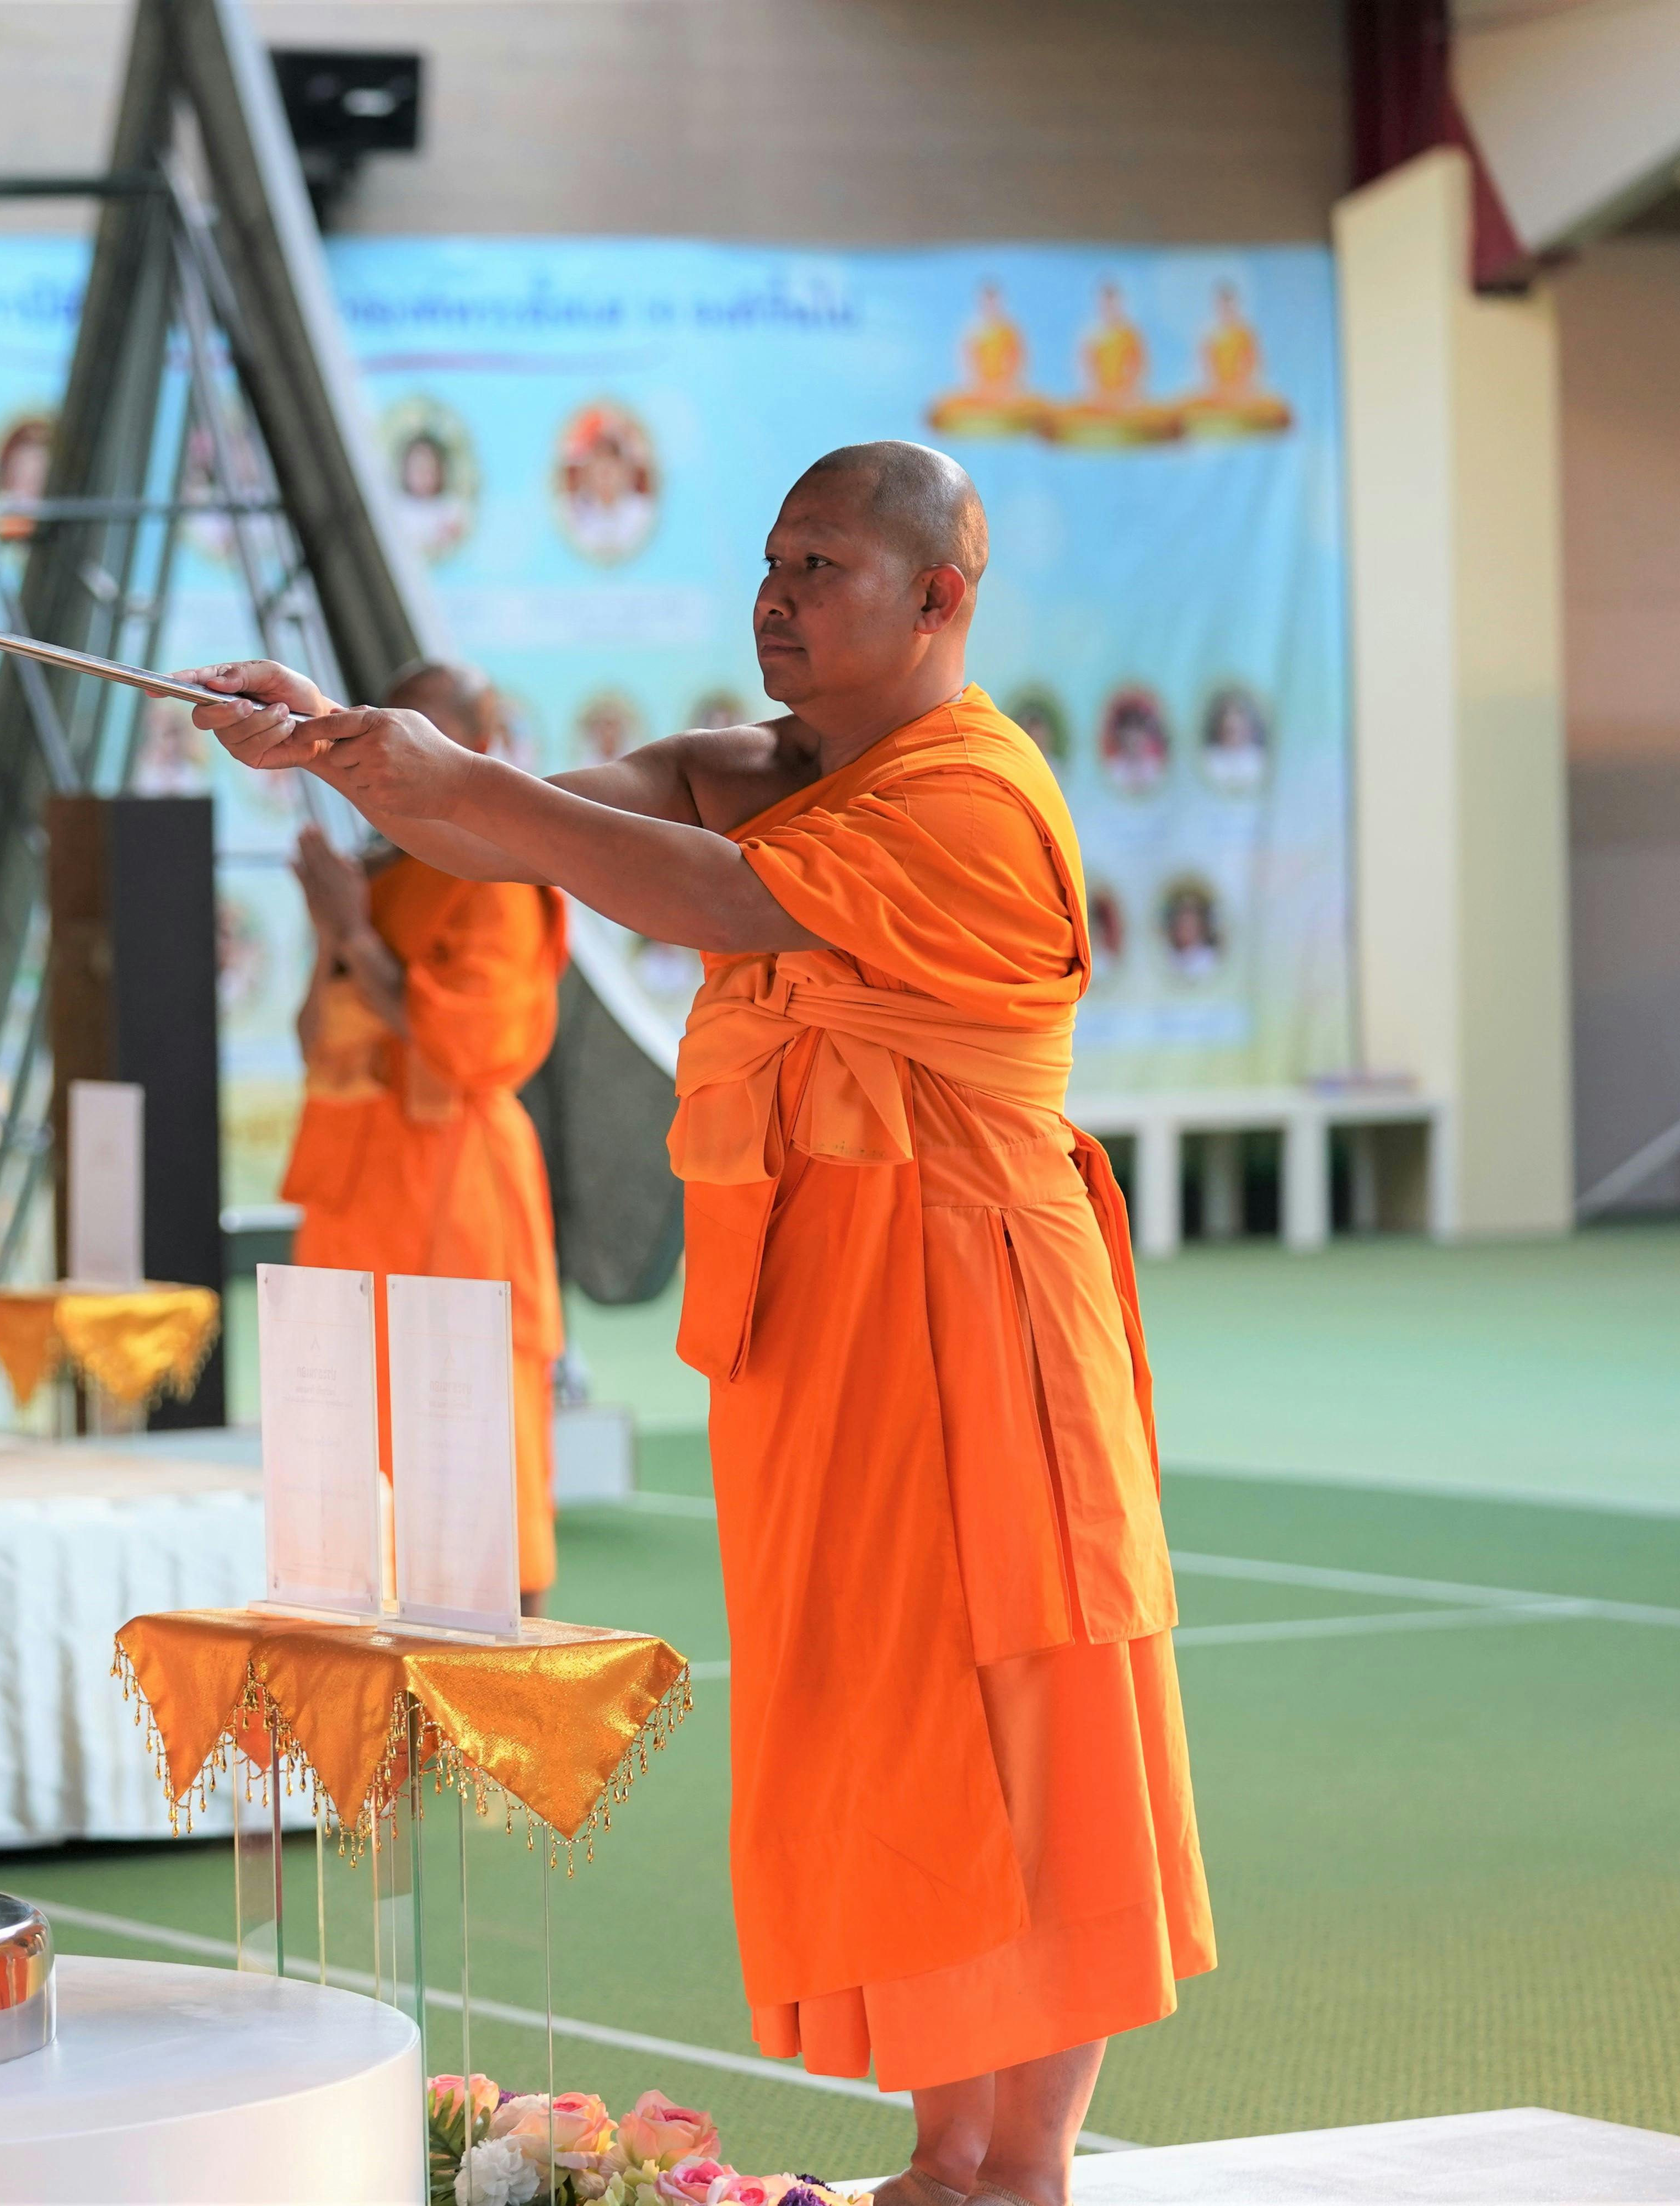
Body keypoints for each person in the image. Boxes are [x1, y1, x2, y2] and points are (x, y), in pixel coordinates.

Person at [186, 441, 1211, 2206]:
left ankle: (1024, 2164)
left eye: (820, 568)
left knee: (1028, 1706)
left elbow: (679, 889)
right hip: (835, 1321)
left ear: (939, 599)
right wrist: (347, 749)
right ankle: (949, 2148)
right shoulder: (788, 770)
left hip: (980, 1314)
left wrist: (443, 781)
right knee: (886, 1711)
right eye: (770, 562)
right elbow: (536, 820)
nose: (776, 600)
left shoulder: (971, 800)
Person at [281, 661, 569, 1614]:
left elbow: (472, 1044)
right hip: (360, 1190)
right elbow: (318, 1037)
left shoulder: (499, 881)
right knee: (351, 1445)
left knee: (471, 1432)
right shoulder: (385, 875)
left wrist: (356, 938)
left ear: (477, 755)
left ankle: (501, 1691)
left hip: (455, 1195)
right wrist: (337, 932)